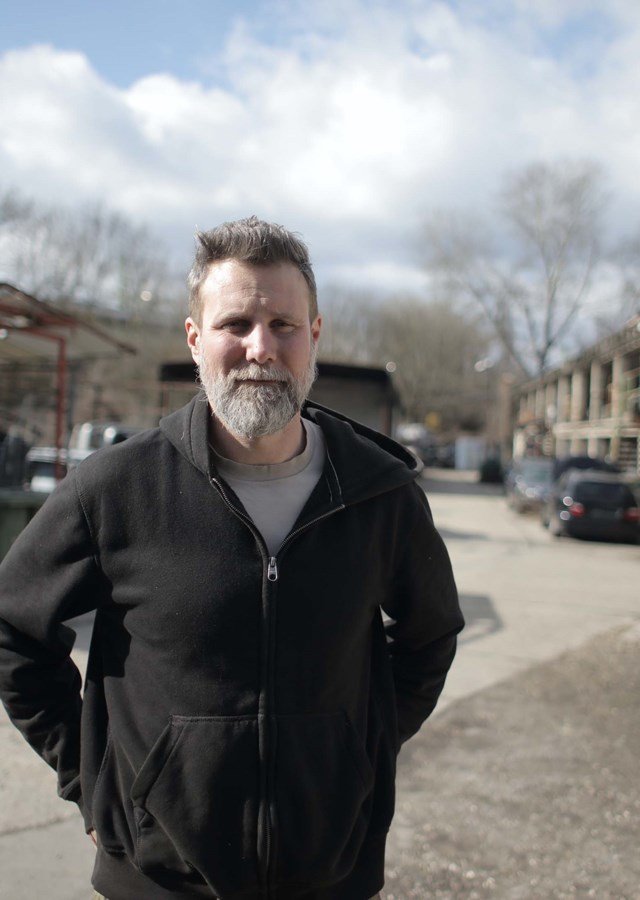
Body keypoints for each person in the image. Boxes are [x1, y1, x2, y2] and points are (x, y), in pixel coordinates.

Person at [0, 216, 463, 900]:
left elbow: (430, 637)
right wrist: (92, 781)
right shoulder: (117, 488)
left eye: (284, 325)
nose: (260, 348)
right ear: (195, 341)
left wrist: (354, 757)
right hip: (156, 879)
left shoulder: (380, 493)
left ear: (315, 338)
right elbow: (14, 631)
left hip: (328, 876)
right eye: (235, 323)